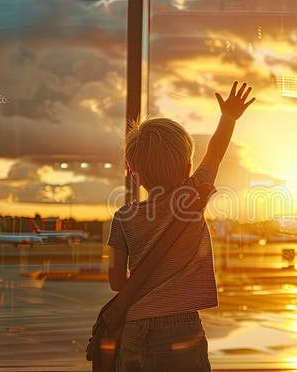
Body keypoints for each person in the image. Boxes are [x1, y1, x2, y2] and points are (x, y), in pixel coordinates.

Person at [106, 81, 255, 371]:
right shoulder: (191, 197)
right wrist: (229, 118)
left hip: (134, 327)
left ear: (133, 174)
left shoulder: (123, 217)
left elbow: (116, 281)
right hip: (181, 327)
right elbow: (215, 154)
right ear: (187, 168)